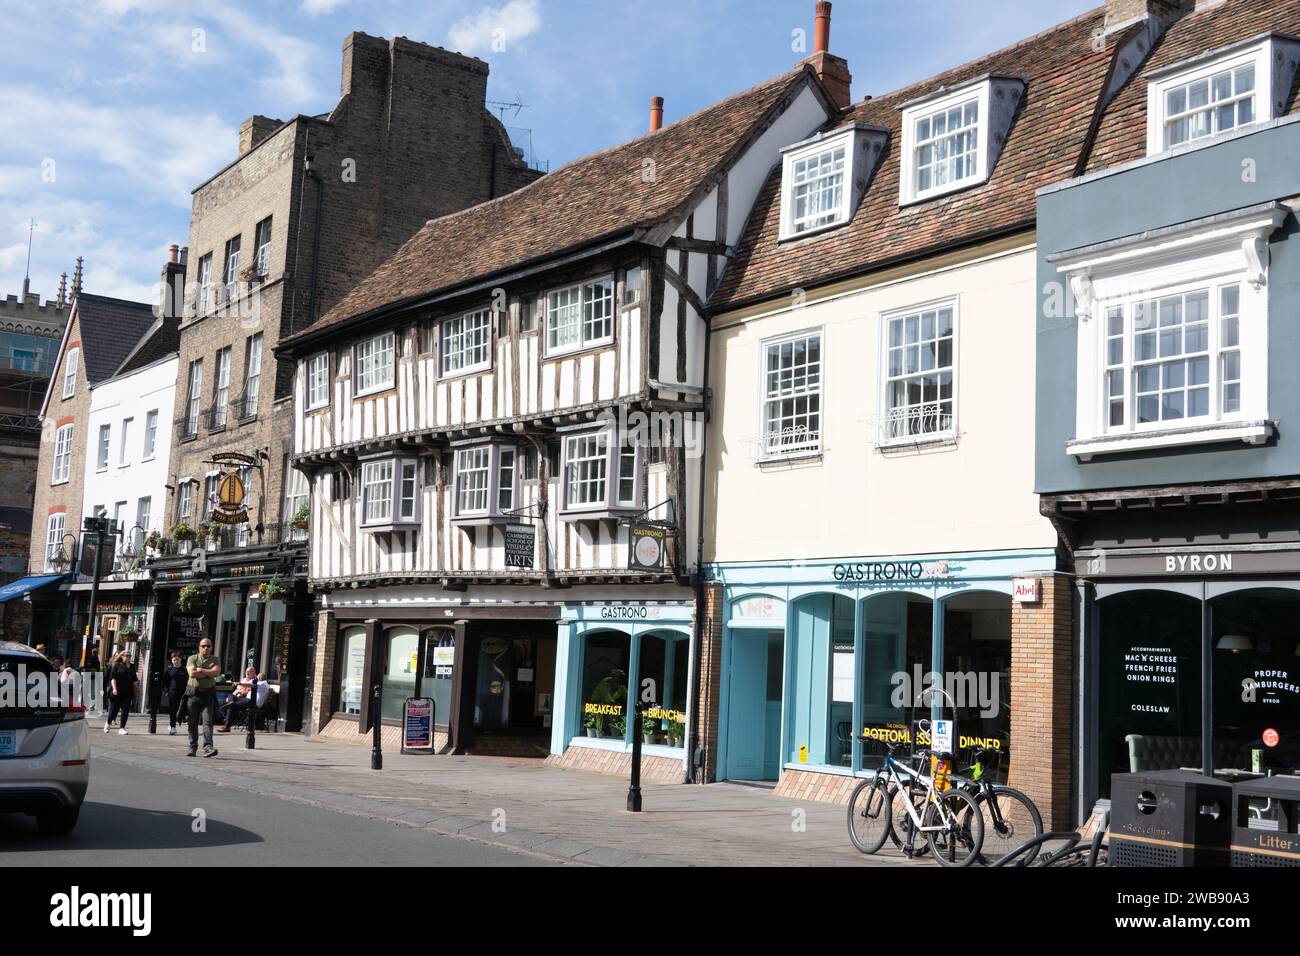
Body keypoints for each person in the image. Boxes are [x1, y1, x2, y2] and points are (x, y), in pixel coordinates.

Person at [186, 637, 221, 758]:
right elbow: (192, 673)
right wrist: (209, 673)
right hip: (194, 694)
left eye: (208, 646)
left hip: (208, 695)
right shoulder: (193, 658)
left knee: (208, 722)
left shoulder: (215, 659)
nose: (206, 648)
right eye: (203, 646)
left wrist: (200, 670)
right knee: (192, 722)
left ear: (211, 648)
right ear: (199, 647)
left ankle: (208, 747)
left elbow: (216, 673)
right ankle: (192, 747)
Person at [218, 667, 270, 732]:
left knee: (232, 706)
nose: (256, 678)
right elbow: (250, 683)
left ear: (259, 678)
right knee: (231, 696)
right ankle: (231, 702)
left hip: (252, 703)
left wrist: (239, 683)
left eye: (257, 677)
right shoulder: (258, 683)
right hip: (246, 700)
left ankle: (227, 726)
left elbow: (251, 685)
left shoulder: (263, 684)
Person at [105, 651, 136, 734]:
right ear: (122, 656)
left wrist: (136, 686)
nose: (128, 657)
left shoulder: (132, 666)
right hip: (118, 691)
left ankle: (122, 728)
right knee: (113, 710)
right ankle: (108, 723)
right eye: (127, 655)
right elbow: (113, 678)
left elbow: (134, 678)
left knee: (125, 710)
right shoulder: (116, 665)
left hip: (128, 691)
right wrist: (114, 689)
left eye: (130, 656)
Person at [162, 651, 189, 736]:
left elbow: (188, 681)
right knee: (173, 710)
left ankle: (181, 720)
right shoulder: (169, 670)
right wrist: (166, 691)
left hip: (183, 693)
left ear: (180, 659)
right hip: (172, 692)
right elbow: (165, 682)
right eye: (174, 660)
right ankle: (173, 726)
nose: (175, 661)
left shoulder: (184, 671)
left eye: (177, 659)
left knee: (182, 709)